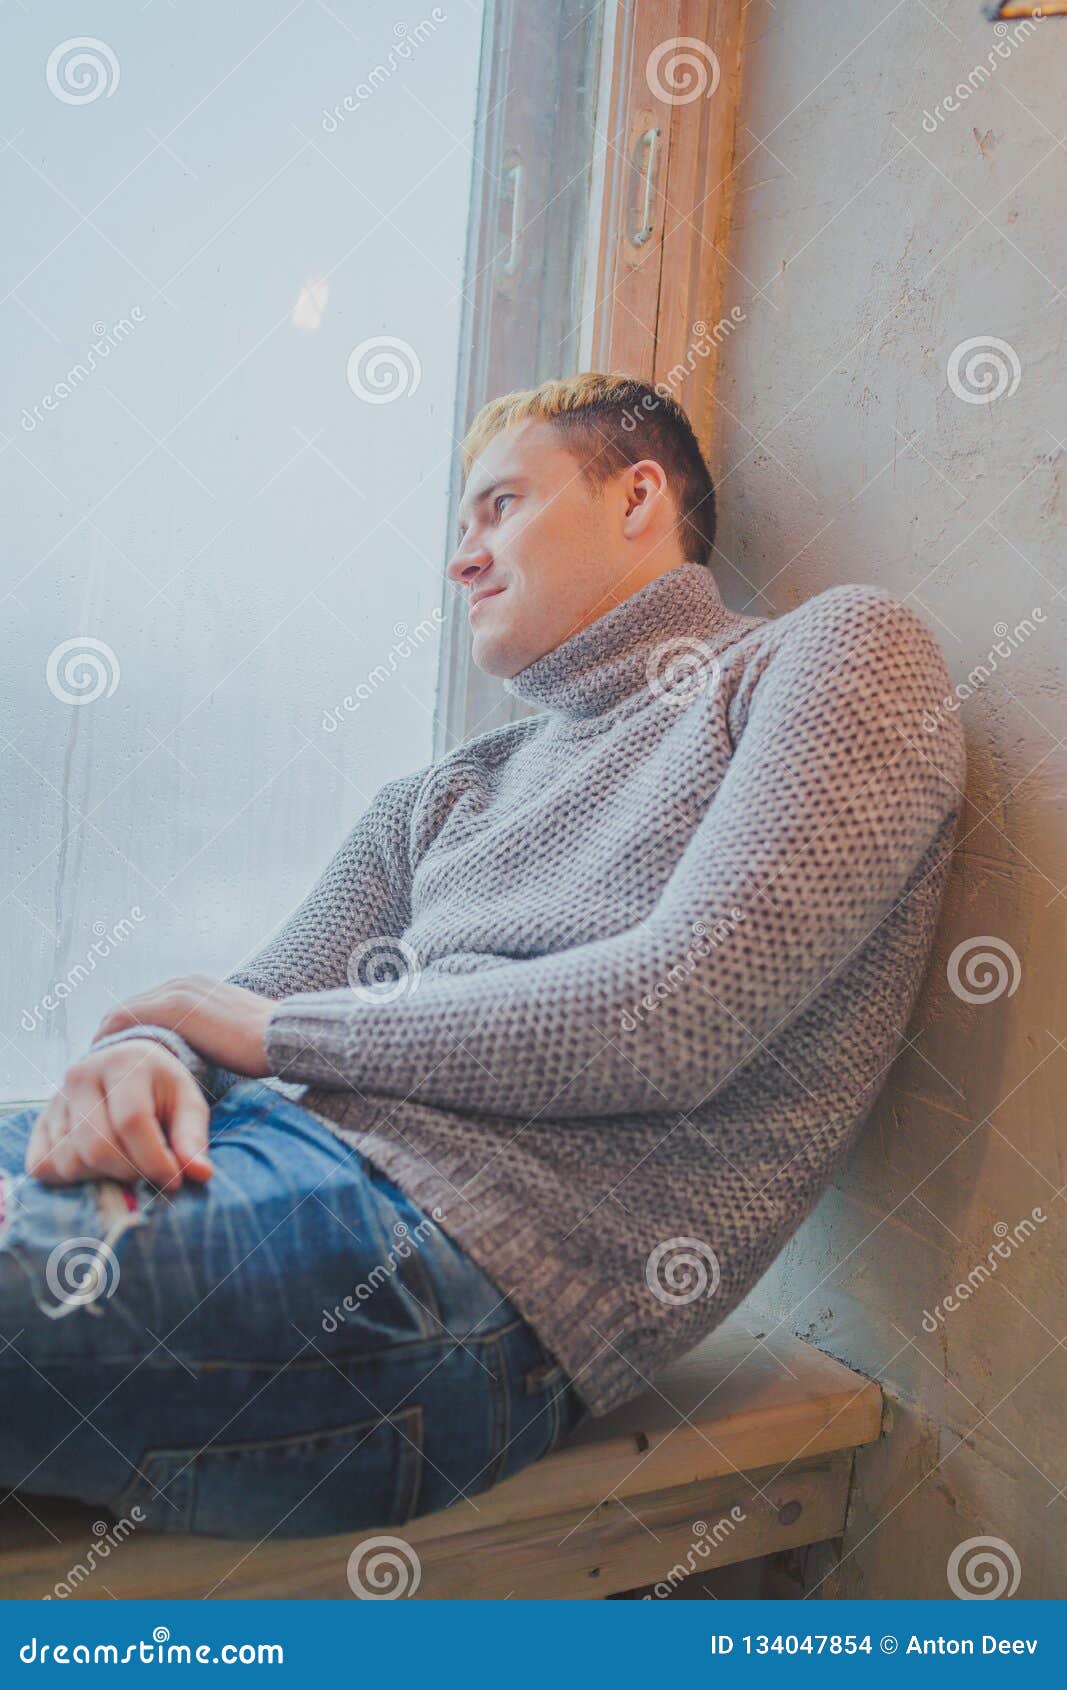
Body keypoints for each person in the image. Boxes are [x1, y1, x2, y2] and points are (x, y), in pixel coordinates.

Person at [0, 372, 966, 1541]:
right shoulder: (446, 791)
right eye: (461, 527)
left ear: (637, 495)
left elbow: (675, 1018)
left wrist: (257, 1037)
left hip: (451, 1273)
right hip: (261, 1160)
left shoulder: (837, 652)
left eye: (498, 506)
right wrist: (146, 1053)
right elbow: (248, 993)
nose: (461, 560)